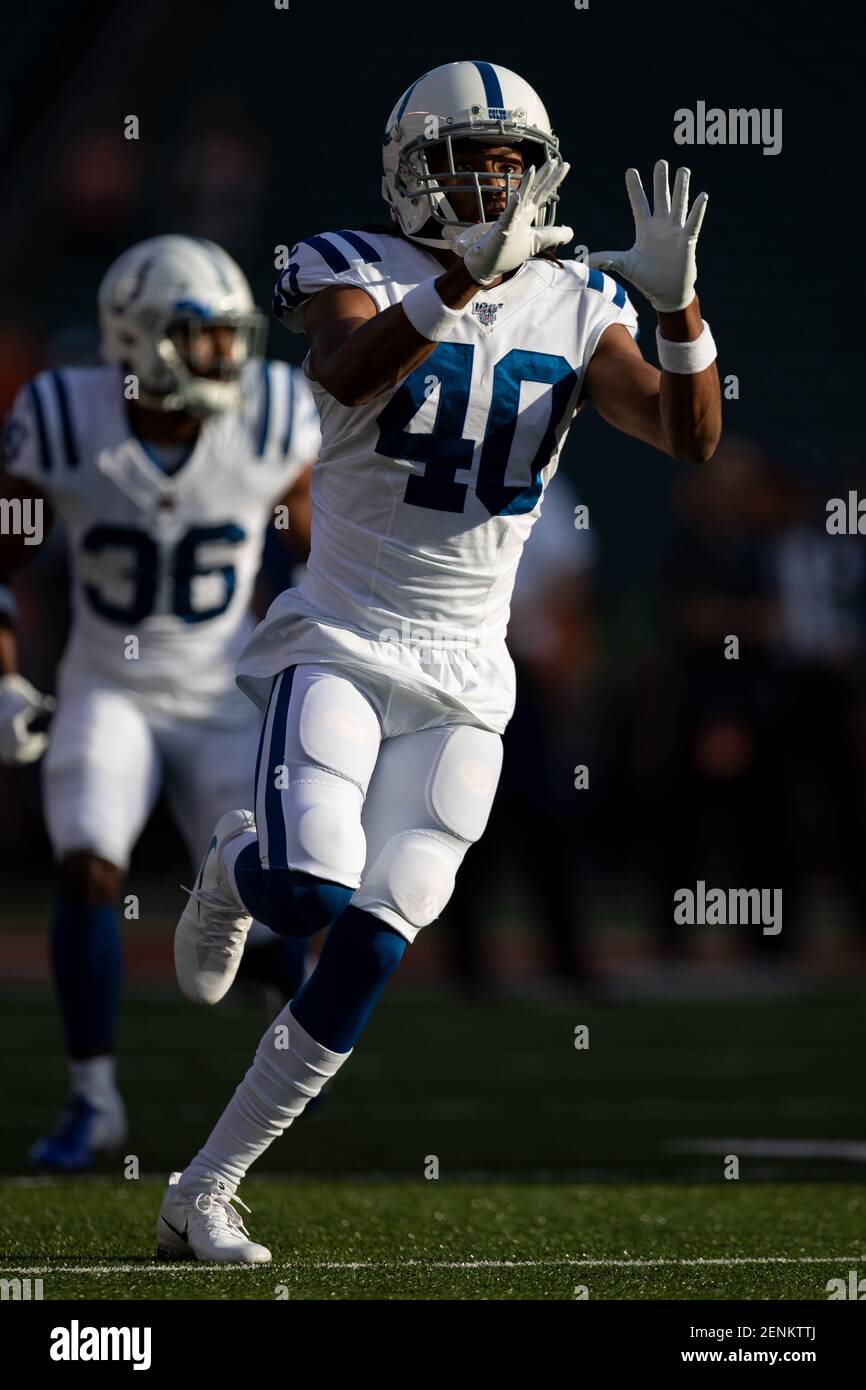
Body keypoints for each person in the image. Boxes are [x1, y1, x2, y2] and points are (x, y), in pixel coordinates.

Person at [157, 60, 720, 1263]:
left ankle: (205, 1186)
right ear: (414, 168)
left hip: (468, 674)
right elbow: (344, 373)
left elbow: (687, 434)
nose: (496, 183)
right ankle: (231, 865)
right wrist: (465, 275)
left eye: (512, 162)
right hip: (346, 638)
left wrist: (675, 313)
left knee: (378, 934)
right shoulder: (350, 264)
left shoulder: (573, 299)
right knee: (306, 893)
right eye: (472, 159)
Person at [0, 235, 319, 1170]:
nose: (227, 356)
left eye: (231, 336)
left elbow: (309, 554)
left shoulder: (271, 414)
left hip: (226, 691)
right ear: (136, 341)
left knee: (289, 888)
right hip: (111, 691)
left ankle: (272, 1044)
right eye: (200, 337)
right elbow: (2, 559)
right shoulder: (64, 416)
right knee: (88, 864)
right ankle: (92, 1099)